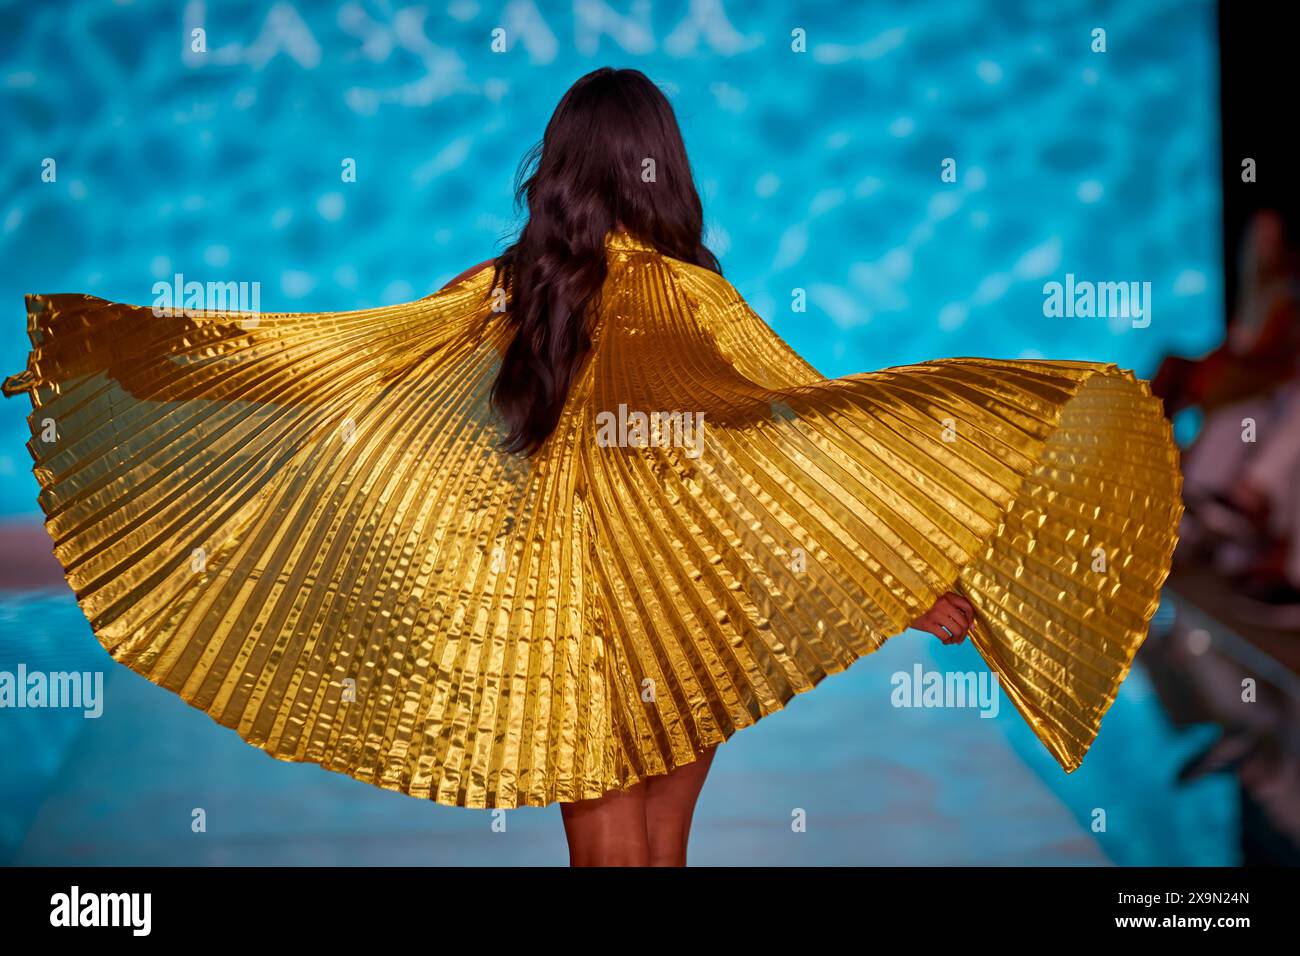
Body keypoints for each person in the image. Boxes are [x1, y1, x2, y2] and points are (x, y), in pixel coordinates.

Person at [2, 67, 1182, 866]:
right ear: (663, 166)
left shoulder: (513, 292)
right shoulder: (696, 301)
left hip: (572, 631)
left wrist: (138, 366)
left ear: (561, 169)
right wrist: (914, 586)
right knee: (662, 854)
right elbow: (799, 451)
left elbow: (337, 375)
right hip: (688, 625)